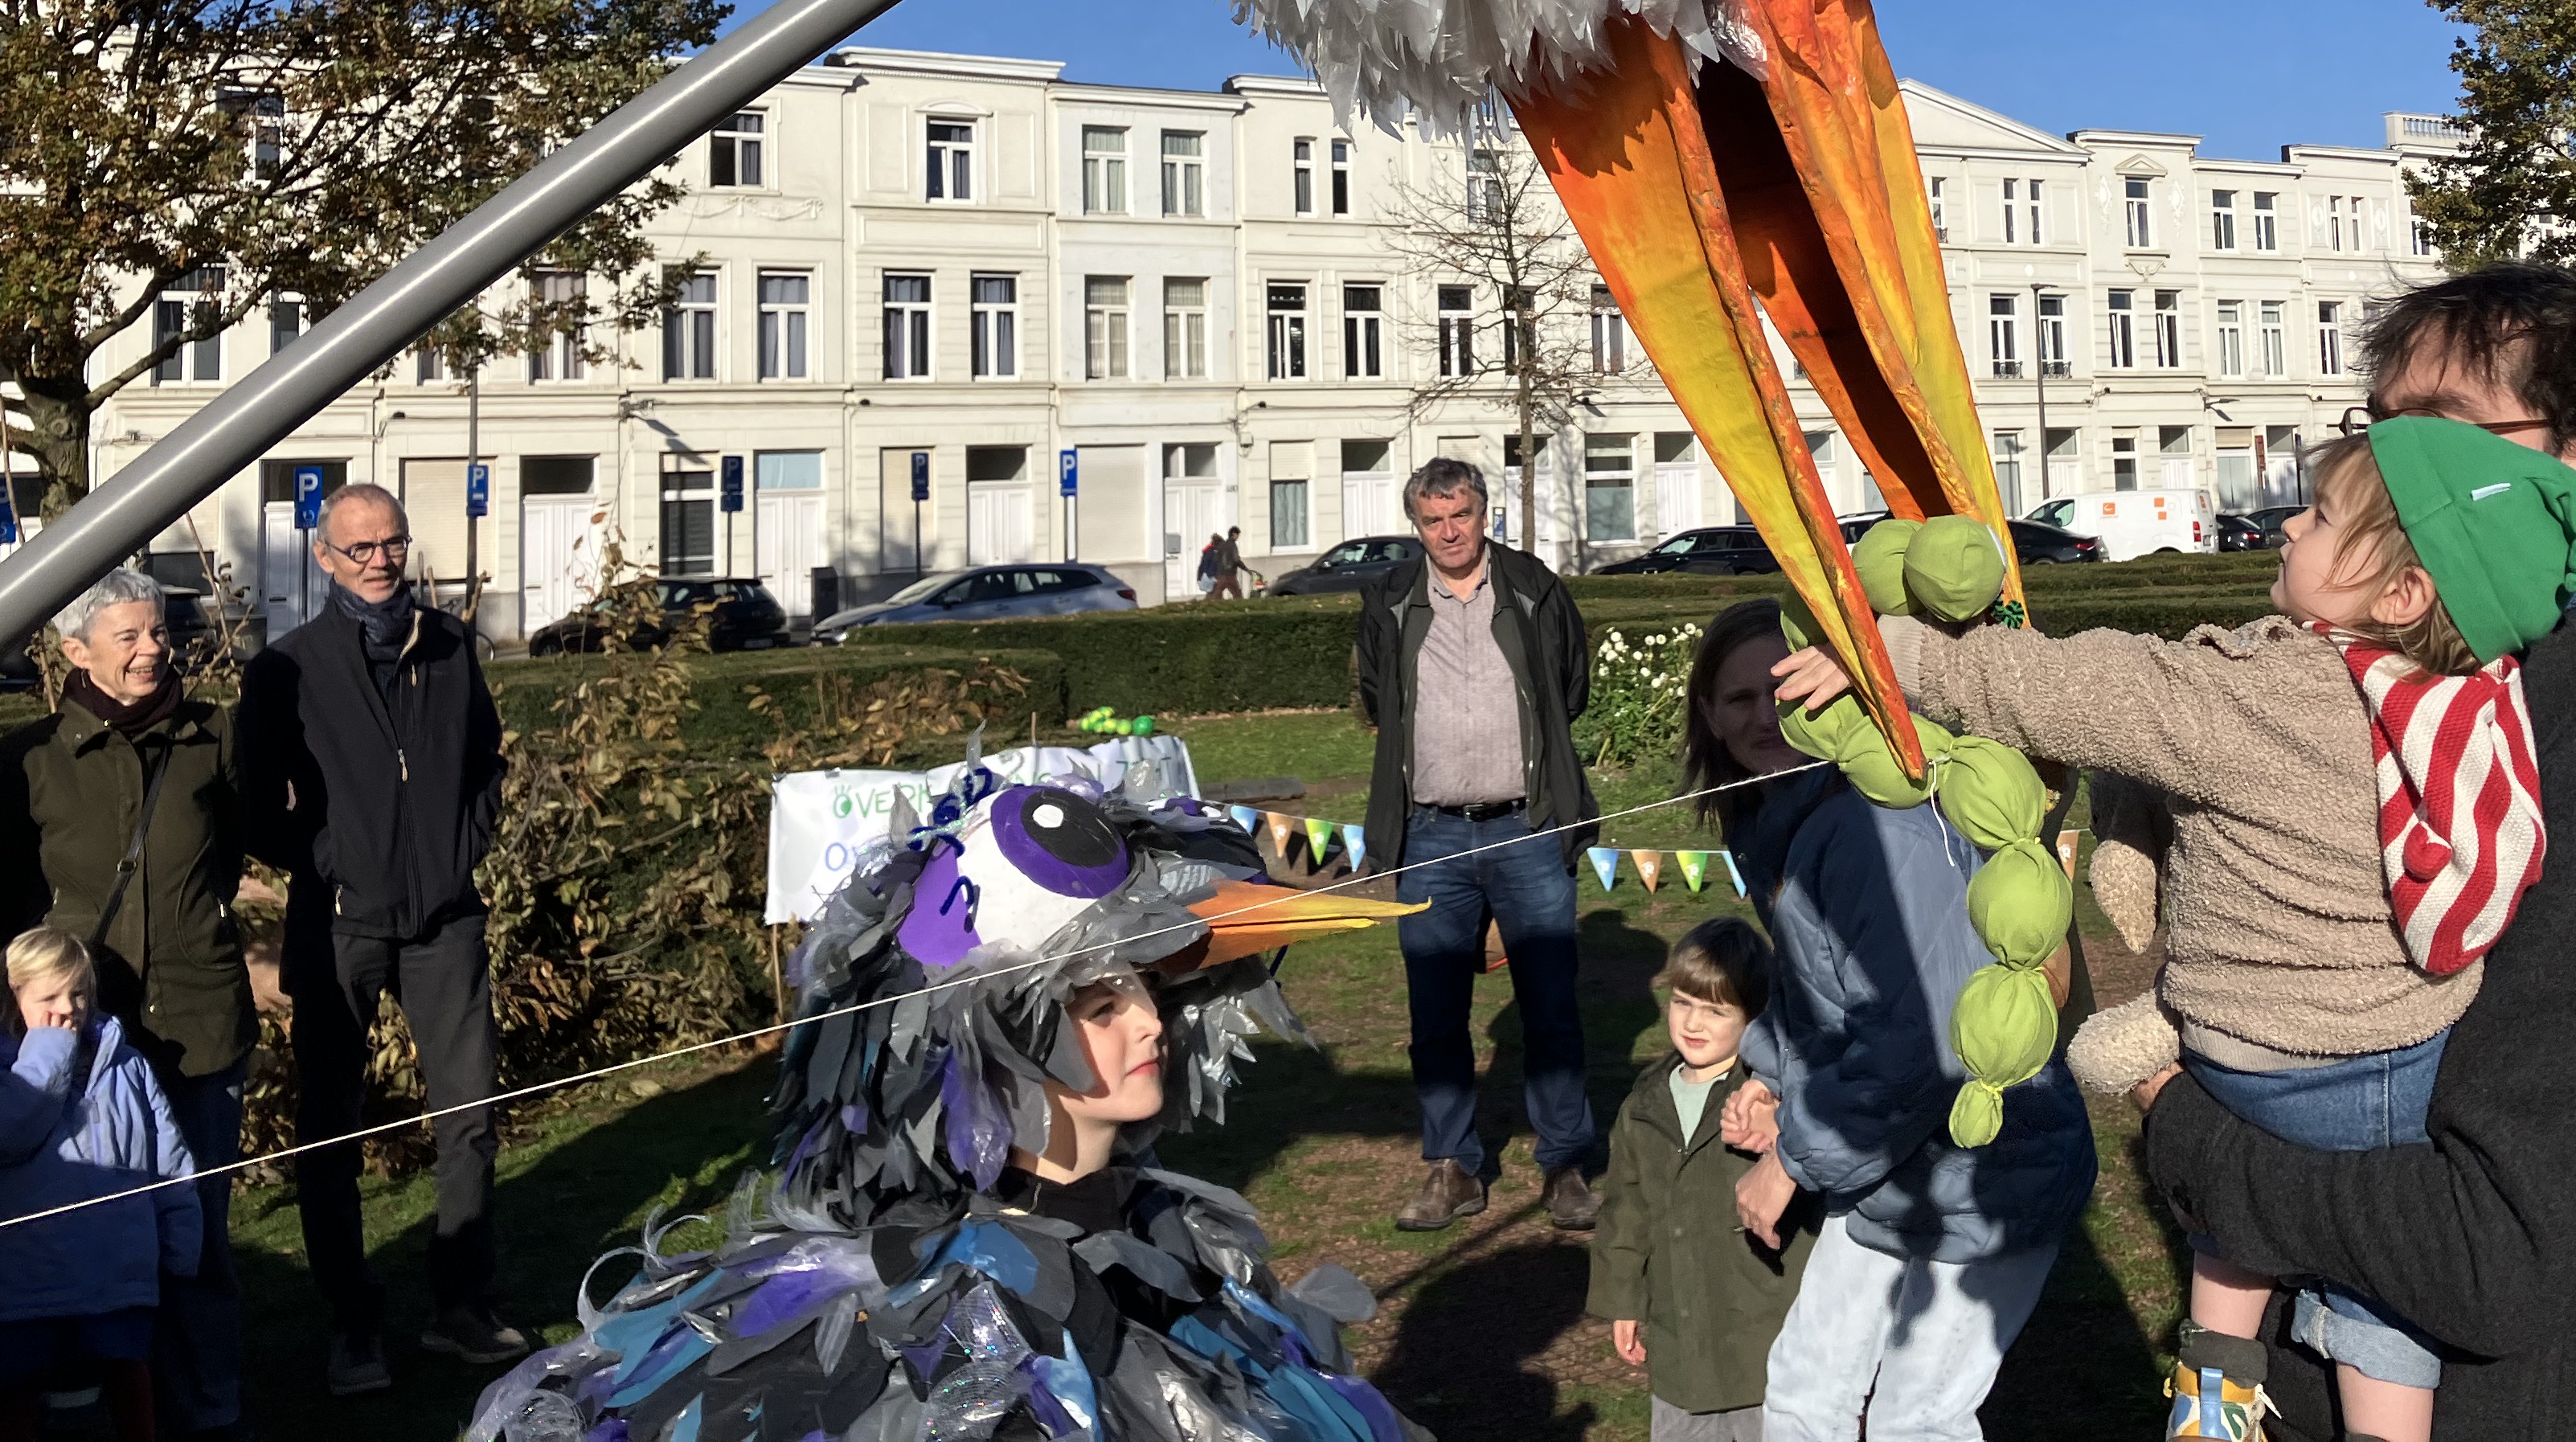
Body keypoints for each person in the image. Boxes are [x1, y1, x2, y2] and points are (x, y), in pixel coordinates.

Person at [1788, 436, 2576, 1442]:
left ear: (2402, 595)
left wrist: (1891, 652)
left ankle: (2212, 1397)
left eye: (2323, 518)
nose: (2292, 523)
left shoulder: (2271, 693)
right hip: (2400, 1056)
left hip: (2250, 1052)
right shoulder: (2467, 692)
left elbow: (2081, 690)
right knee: (2378, 1287)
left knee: (2234, 1212)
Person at [2135, 263, 2576, 1441]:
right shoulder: (2413, 706)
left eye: (2426, 431)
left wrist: (2178, 1117)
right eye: (2371, 428)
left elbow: (2487, 1253)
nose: (2375, 469)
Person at [471, 768, 1425, 1442]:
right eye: (1097, 1005)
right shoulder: (943, 1344)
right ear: (990, 1052)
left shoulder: (1178, 1235)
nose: (1148, 1026)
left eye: (1145, 989)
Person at [1683, 600, 2094, 1442]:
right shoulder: (1782, 822)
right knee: (1806, 1392)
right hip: (1893, 1157)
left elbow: (1928, 1043)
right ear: (1709, 720)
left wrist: (1793, 1161)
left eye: (1782, 688)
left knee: (1919, 1420)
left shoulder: (1875, 823)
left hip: (1991, 1164)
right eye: (1737, 701)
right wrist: (1770, 1077)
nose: (1764, 717)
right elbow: (1824, 998)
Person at [234, 483, 520, 1396]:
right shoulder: (289, 666)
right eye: (358, 549)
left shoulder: (447, 646)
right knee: (330, 1127)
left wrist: (462, 849)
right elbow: (254, 804)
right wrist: (328, 865)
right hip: (340, 922)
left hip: (446, 918)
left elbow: (486, 761)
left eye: (391, 542)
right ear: (324, 558)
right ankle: (353, 1322)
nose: (379, 561)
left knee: (470, 1116)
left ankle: (461, 1305)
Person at [0, 571, 252, 1440]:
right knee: (79, 1238)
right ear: (76, 651)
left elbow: (233, 854)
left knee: (200, 1238)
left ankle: (211, 1414)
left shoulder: (214, 738)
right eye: (129, 637)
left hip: (199, 1028)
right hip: (75, 1047)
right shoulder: (29, 761)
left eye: (159, 631)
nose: (155, 649)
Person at [1354, 455, 1602, 1231]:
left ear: (1483, 513)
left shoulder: (1532, 589)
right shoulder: (1390, 600)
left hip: (1528, 827)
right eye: (1433, 520)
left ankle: (1564, 1165)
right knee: (1434, 1013)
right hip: (1430, 833)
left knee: (1552, 1007)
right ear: (1417, 526)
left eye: (1460, 515)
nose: (1449, 531)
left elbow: (1572, 685)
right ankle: (1453, 1166)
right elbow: (1375, 696)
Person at [1588, 918, 1816, 1442]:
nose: (1694, 1022)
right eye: (1684, 1002)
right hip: (1680, 1346)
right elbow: (1626, 1207)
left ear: (1754, 1020)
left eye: (1717, 1010)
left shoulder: (1769, 1097)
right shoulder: (1645, 1103)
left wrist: (1781, 1125)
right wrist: (1622, 1298)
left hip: (1765, 1337)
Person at [0, 926, 200, 1442]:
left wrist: (181, 1238)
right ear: (12, 996)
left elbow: (168, 1157)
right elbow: (13, 1133)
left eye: (79, 993)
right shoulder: (6, 1073)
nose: (67, 1008)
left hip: (118, 1270)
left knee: (129, 1382)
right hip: (28, 1279)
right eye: (48, 998)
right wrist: (46, 1053)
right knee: (19, 1392)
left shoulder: (128, 1066)